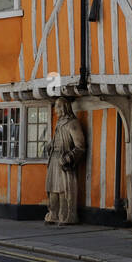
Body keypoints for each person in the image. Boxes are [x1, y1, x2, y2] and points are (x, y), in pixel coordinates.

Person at [44, 97, 86, 226]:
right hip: (54, 159)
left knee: (63, 188)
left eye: (58, 106)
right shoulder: (59, 123)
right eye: (56, 106)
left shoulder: (72, 123)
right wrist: (50, 145)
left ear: (64, 107)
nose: (56, 110)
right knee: (52, 187)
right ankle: (53, 214)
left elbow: (80, 146)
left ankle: (66, 215)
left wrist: (68, 157)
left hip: (64, 161)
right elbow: (57, 139)